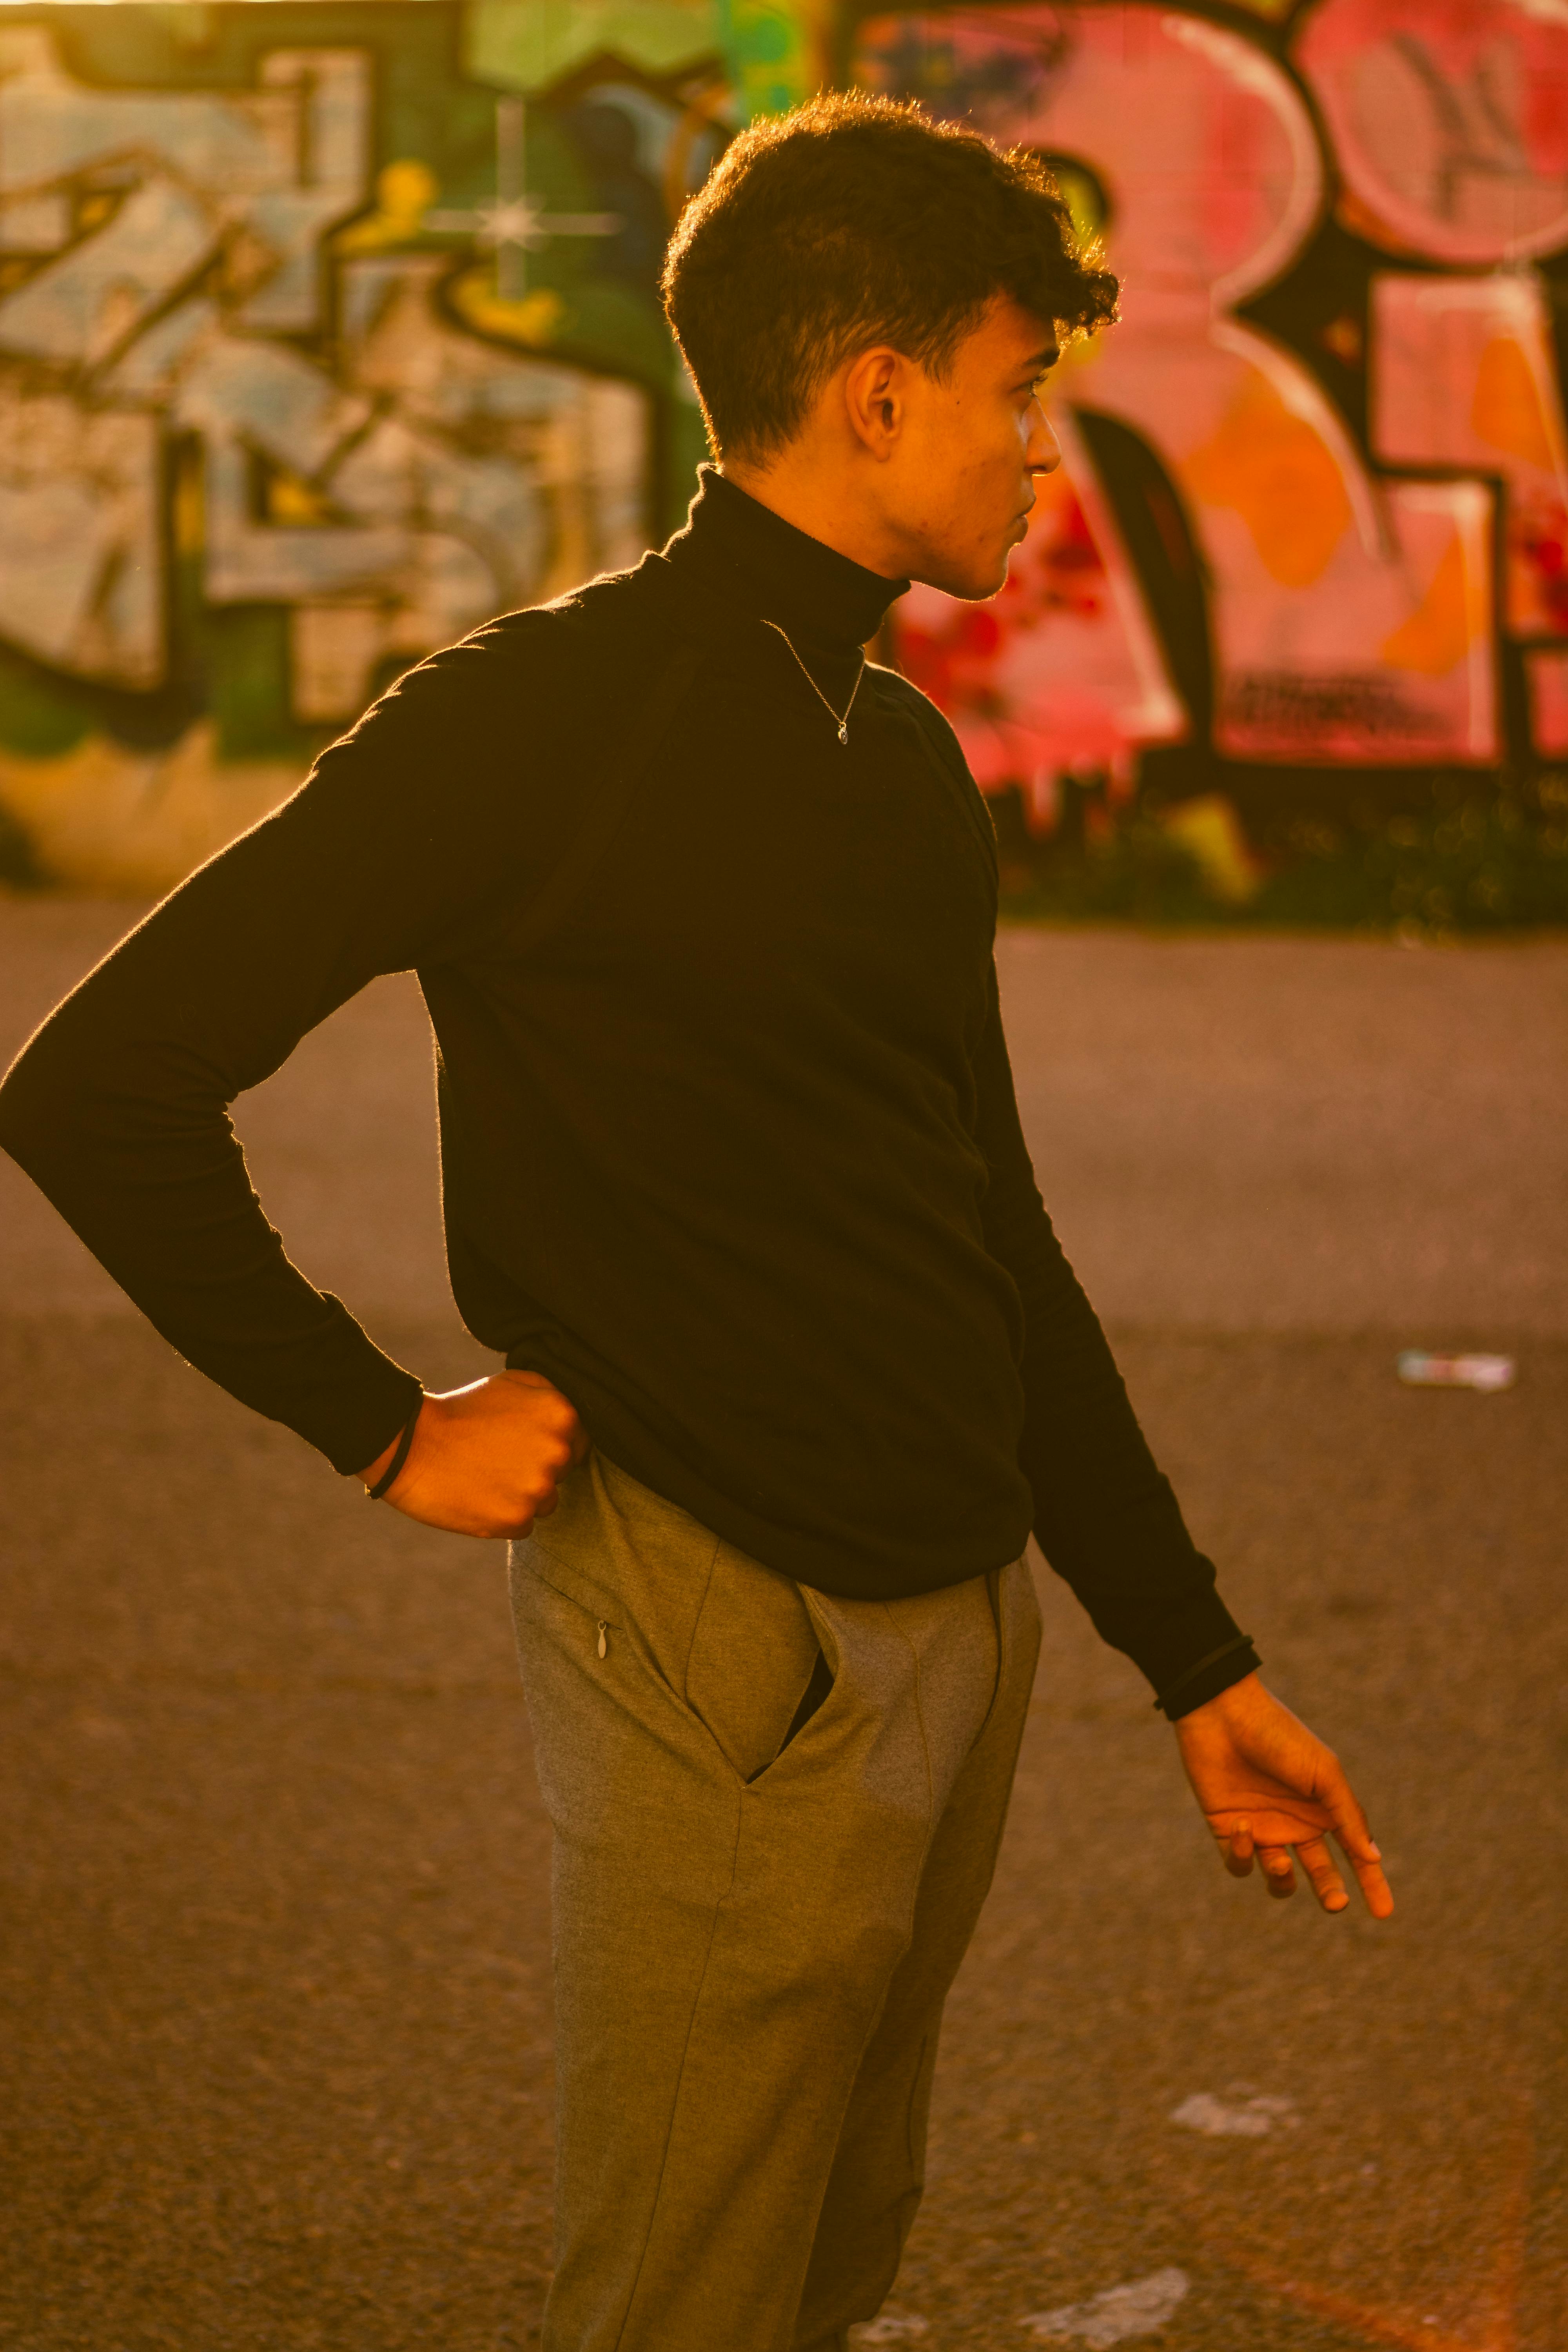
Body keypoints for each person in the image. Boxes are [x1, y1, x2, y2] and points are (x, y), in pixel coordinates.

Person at [0, 92, 1392, 2352]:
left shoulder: (898, 754)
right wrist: (377, 1425)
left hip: (963, 1626)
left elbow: (995, 1234)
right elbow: (101, 1085)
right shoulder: (534, 723)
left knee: (823, 2273)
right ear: (877, 394)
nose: (1046, 449)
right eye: (1022, 388)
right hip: (730, 1642)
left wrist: (1194, 1660)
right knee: (686, 2302)